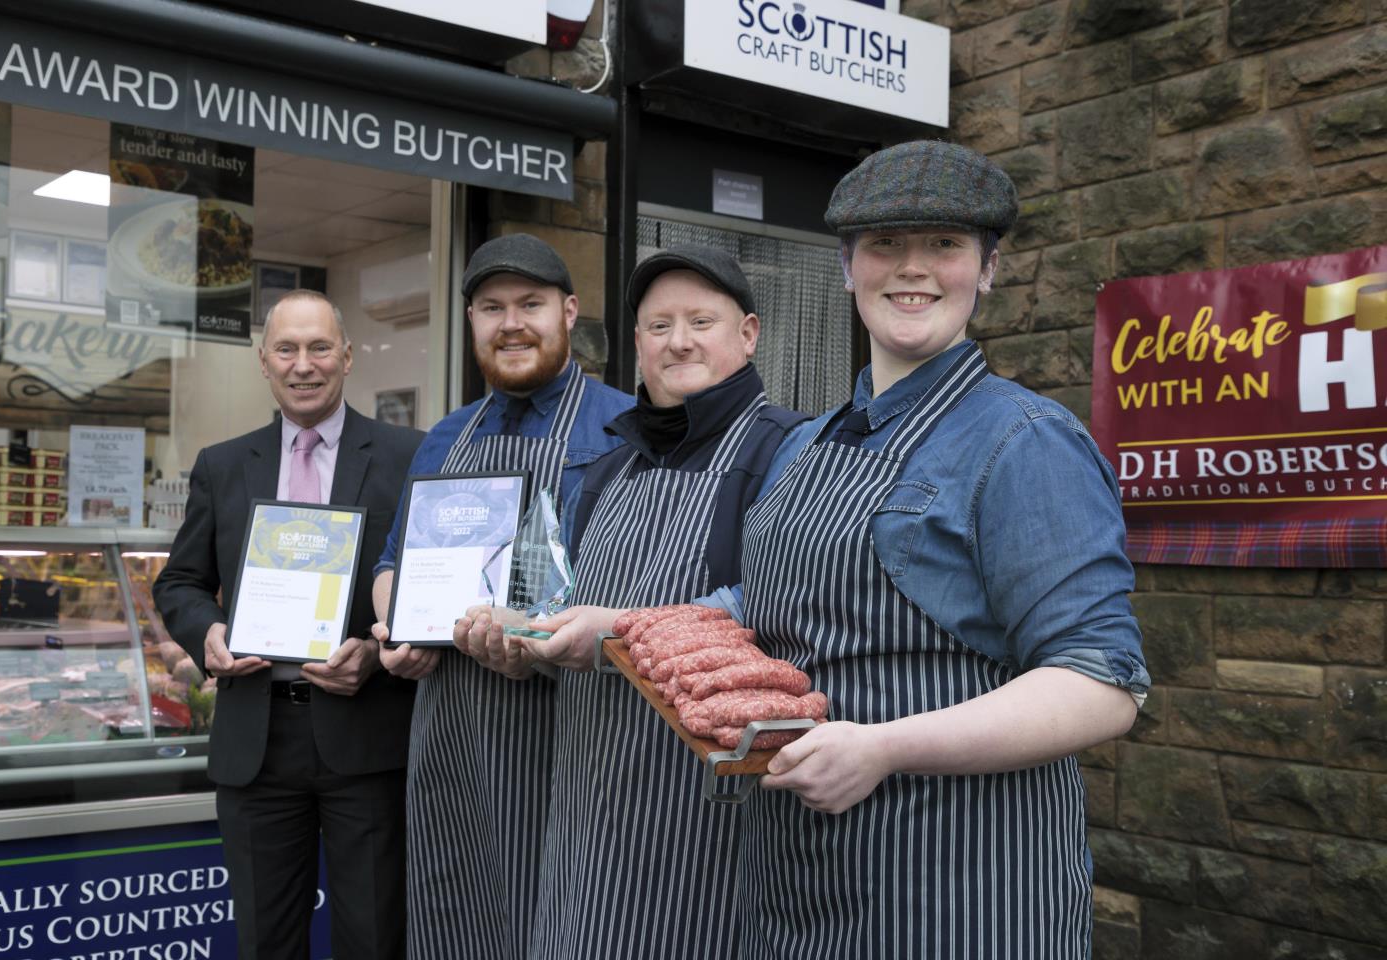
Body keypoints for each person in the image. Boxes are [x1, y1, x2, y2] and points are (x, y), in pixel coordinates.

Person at [715, 140, 1151, 959]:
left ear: (986, 269)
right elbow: (777, 610)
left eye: (944, 245)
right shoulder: (805, 444)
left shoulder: (1025, 441)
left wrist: (884, 747)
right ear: (847, 266)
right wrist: (629, 627)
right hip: (795, 883)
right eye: (885, 245)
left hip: (959, 894)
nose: (911, 269)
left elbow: (1101, 685)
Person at [455, 244, 807, 959]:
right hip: (587, 800)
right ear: (637, 345)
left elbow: (777, 602)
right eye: (657, 326)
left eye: (700, 321)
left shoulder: (790, 449)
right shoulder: (607, 465)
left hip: (704, 810)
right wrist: (516, 635)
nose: (678, 342)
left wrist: (617, 629)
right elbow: (548, 598)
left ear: (748, 334)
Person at [369, 233, 634, 960]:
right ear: (472, 321)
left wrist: (542, 642)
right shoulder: (446, 436)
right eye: (491, 307)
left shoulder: (625, 424)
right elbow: (395, 560)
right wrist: (396, 626)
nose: (510, 322)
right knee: (455, 903)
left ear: (569, 312)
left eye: (530, 304)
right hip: (453, 715)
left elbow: (644, 570)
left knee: (560, 911)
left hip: (570, 713)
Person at [153, 290, 423, 960]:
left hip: (367, 737)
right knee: (266, 942)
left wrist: (375, 648)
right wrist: (209, 634)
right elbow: (179, 582)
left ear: (348, 357)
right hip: (256, 742)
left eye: (320, 347)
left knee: (374, 939)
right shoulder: (222, 464)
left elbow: (424, 584)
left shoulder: (407, 454)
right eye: (287, 349)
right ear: (264, 363)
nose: (305, 365)